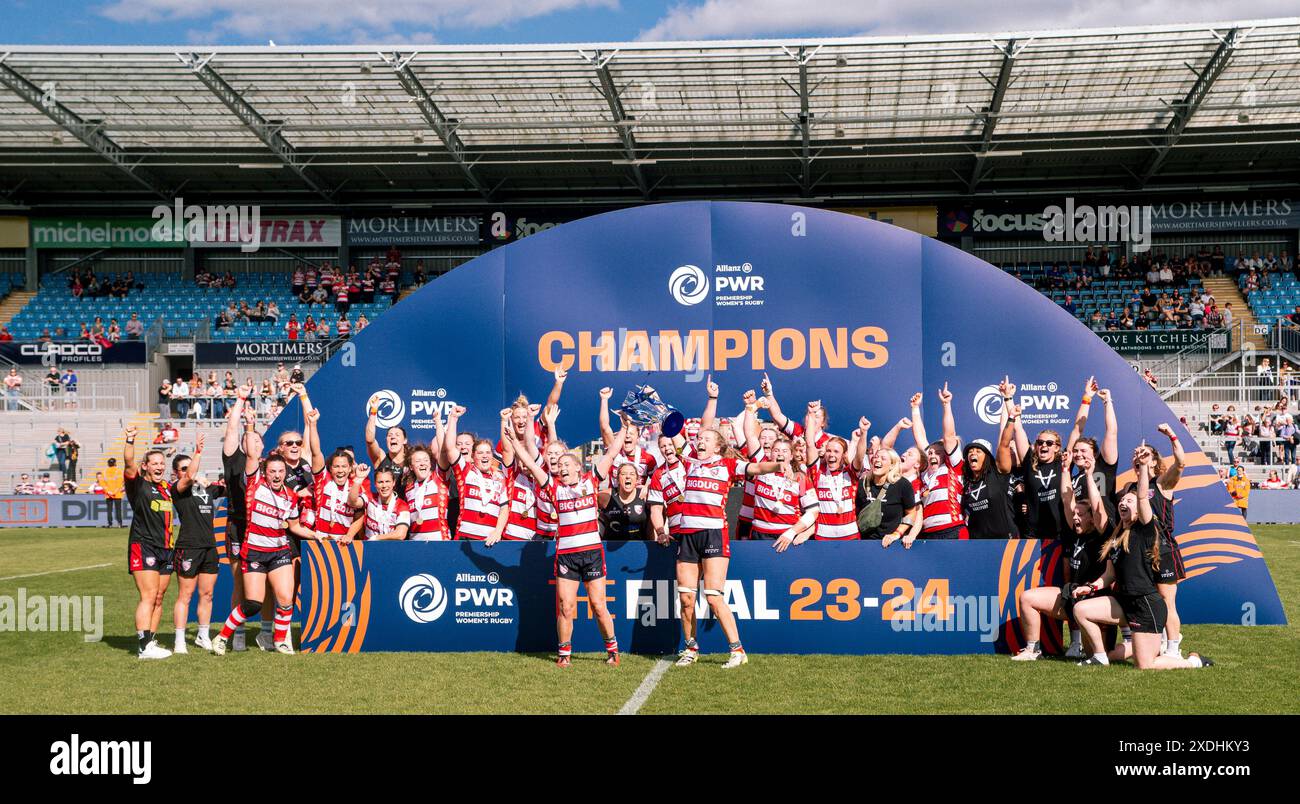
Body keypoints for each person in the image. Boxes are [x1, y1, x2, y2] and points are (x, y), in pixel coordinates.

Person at [659, 380, 778, 669]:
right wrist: (712, 398)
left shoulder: (728, 465)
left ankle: (737, 650)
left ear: (719, 446)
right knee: (686, 599)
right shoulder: (688, 462)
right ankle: (690, 649)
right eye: (699, 439)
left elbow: (757, 467)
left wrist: (778, 465)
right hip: (687, 534)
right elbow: (689, 428)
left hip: (713, 533)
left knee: (713, 596)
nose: (700, 441)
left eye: (706, 439)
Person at [1069, 454, 1214, 670]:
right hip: (1123, 602)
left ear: (1139, 509)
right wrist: (1090, 587)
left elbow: (1144, 496)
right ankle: (1100, 656)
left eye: (1130, 501)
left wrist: (1144, 468)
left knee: (1144, 665)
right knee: (1081, 609)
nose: (1124, 503)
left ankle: (1193, 661)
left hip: (1145, 605)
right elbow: (1109, 574)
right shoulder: (1116, 535)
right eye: (1122, 501)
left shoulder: (1145, 529)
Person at [506, 401, 624, 666]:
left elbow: (613, 452)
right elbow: (531, 463)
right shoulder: (553, 488)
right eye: (560, 467)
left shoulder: (591, 480)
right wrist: (514, 442)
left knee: (598, 605)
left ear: (577, 467)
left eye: (567, 465)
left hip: (592, 553)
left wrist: (625, 428)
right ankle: (564, 656)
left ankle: (613, 652)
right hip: (566, 555)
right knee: (565, 606)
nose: (562, 468)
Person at [210, 452, 317, 656]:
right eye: (272, 472)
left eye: (281, 471)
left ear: (286, 473)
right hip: (254, 552)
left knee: (285, 599)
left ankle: (279, 641)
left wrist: (315, 535)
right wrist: (249, 425)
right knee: (253, 604)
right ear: (265, 473)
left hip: (279, 551)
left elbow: (294, 526)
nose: (277, 475)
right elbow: (251, 457)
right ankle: (222, 637)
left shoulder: (290, 496)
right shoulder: (254, 486)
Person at [123, 426, 176, 660]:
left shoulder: (165, 488)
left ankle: (151, 640)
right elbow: (128, 462)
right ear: (145, 466)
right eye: (154, 463)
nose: (159, 467)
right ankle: (144, 646)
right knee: (148, 594)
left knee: (159, 596)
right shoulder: (138, 485)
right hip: (143, 545)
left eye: (162, 463)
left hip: (166, 548)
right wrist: (130, 439)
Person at [170, 433, 219, 654]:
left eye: (190, 467)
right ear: (176, 473)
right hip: (188, 546)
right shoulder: (177, 490)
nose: (188, 471)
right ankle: (180, 640)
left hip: (209, 546)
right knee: (185, 595)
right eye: (183, 468)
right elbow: (189, 477)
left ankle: (202, 635)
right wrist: (198, 452)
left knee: (207, 594)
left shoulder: (207, 487)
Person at [441, 405, 510, 543]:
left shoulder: (499, 477)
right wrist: (453, 418)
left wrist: (497, 531)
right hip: (465, 539)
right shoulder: (466, 472)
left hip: (490, 540)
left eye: (488, 452)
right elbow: (449, 448)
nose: (485, 456)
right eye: (480, 453)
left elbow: (504, 508)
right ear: (473, 456)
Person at [909, 384, 966, 539]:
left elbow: (949, 436)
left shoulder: (952, 467)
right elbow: (920, 438)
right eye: (931, 452)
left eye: (938, 453)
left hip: (953, 529)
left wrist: (946, 405)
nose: (933, 455)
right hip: (928, 533)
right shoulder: (925, 475)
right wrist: (915, 409)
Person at [804, 402, 864, 540]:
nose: (831, 455)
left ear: (844, 455)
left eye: (836, 451)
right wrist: (812, 414)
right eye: (828, 451)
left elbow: (859, 457)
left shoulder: (850, 473)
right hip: (822, 537)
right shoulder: (817, 471)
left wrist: (864, 433)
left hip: (851, 537)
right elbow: (809, 444)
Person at [856, 446, 919, 546]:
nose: (877, 460)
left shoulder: (902, 484)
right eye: (876, 457)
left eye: (883, 458)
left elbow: (911, 514)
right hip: (865, 544)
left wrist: (896, 534)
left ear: (891, 465)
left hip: (892, 545)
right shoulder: (862, 484)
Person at [349, 465, 411, 541]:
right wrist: (359, 479)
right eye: (380, 482)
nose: (384, 486)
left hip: (391, 550)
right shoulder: (370, 498)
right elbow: (352, 502)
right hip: (369, 548)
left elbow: (400, 534)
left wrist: (376, 538)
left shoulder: (402, 506)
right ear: (375, 484)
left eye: (387, 481)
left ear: (393, 483)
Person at [598, 462, 650, 540]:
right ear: (618, 480)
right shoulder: (606, 496)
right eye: (623, 474)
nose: (628, 476)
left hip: (639, 546)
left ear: (637, 480)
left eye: (632, 474)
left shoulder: (644, 495)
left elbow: (660, 512)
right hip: (611, 546)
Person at [103, 457, 125, 528]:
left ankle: (110, 524)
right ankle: (119, 524)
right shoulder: (118, 471)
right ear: (115, 463)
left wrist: (108, 491)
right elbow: (120, 482)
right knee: (118, 509)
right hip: (117, 493)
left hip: (108, 494)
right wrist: (114, 491)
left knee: (109, 510)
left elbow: (102, 483)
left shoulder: (104, 471)